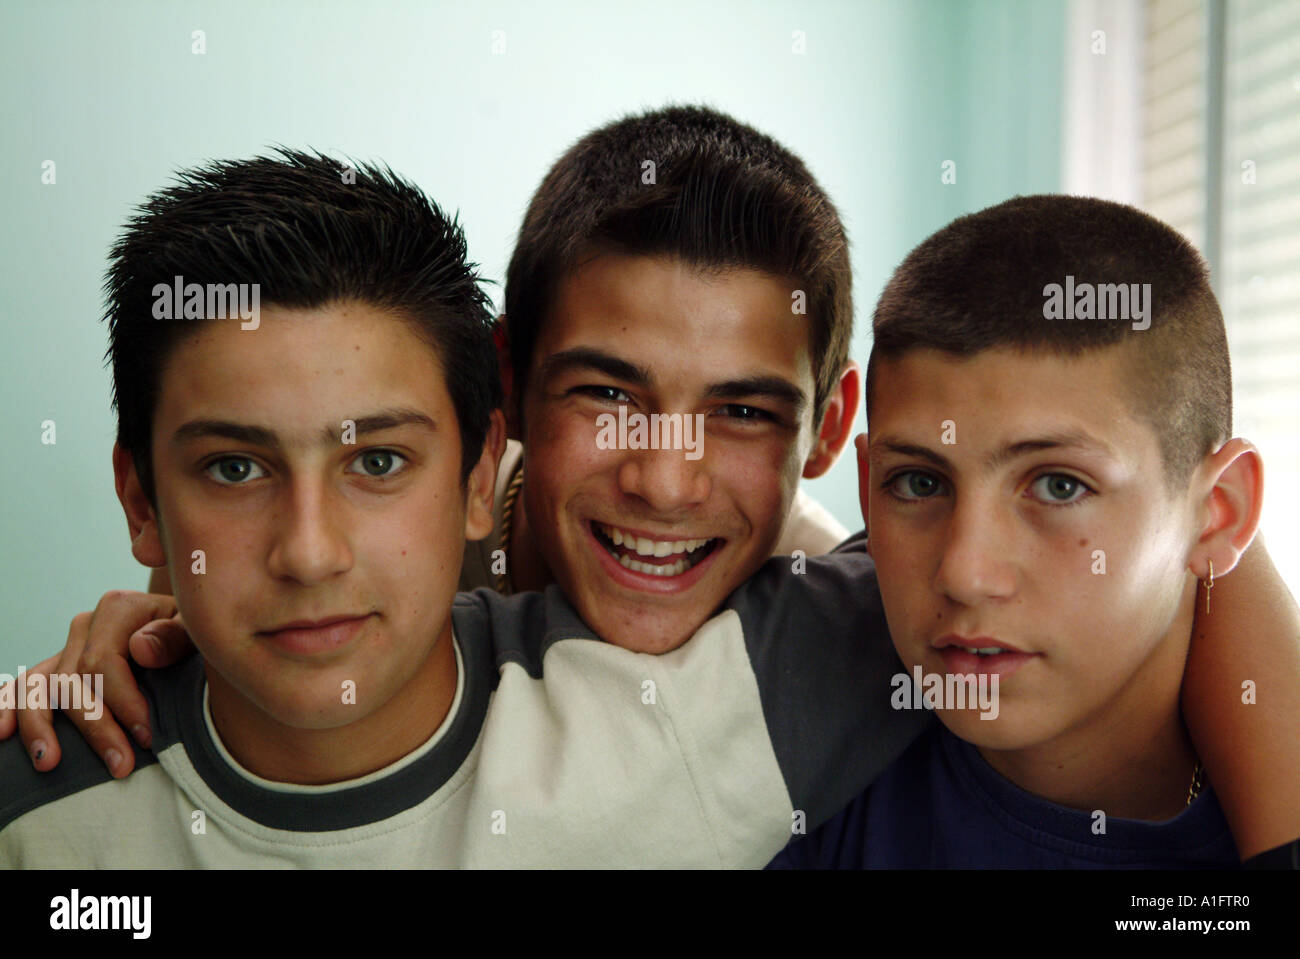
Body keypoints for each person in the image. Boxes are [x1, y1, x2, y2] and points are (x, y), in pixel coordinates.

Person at [5, 109, 1300, 863]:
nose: (668, 480)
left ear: (824, 425)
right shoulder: (144, 718)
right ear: (507, 402)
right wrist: (140, 631)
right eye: (607, 391)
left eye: (743, 409)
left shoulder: (828, 635)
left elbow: (1177, 535)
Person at [0, 150, 920, 867]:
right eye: (238, 468)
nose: (310, 553)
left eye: (379, 460)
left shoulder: (830, 631)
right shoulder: (53, 806)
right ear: (512, 402)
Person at [771, 195, 1276, 867]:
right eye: (920, 482)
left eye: (1059, 485)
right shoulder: (787, 778)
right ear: (867, 487)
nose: (963, 571)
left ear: (1221, 514)